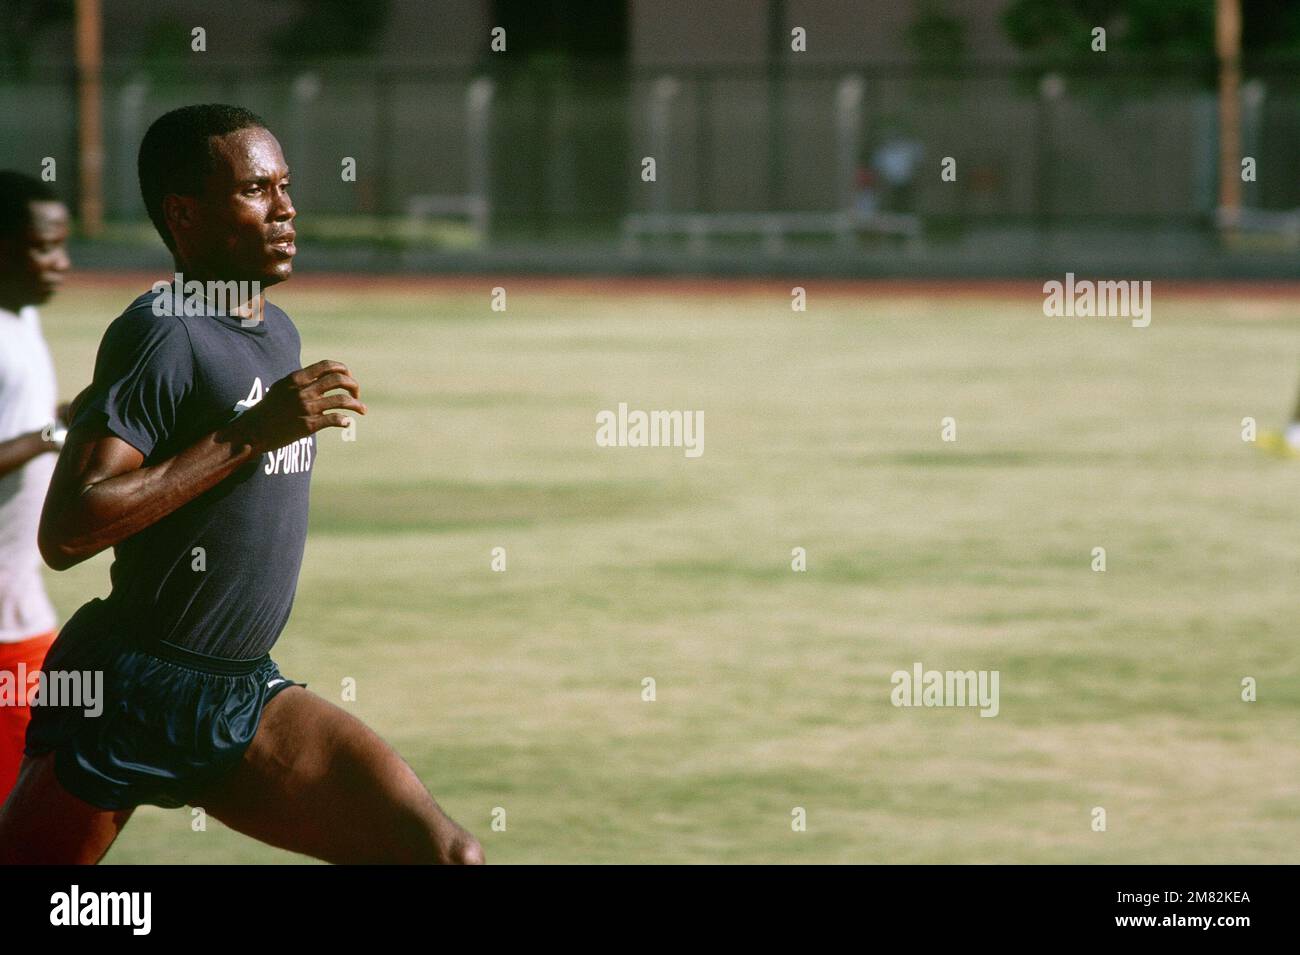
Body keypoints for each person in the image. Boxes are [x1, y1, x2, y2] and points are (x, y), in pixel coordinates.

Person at [0, 105, 483, 864]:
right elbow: (68, 530)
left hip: (239, 691)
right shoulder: (165, 330)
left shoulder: (278, 330)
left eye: (285, 186)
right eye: (257, 189)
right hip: (131, 690)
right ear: (185, 215)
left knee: (445, 853)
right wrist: (252, 433)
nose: (286, 207)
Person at [0, 171, 71, 806]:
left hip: (19, 605)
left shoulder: (20, 318)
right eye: (44, 247)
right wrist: (54, 433)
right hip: (4, 622)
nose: (61, 262)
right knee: (32, 799)